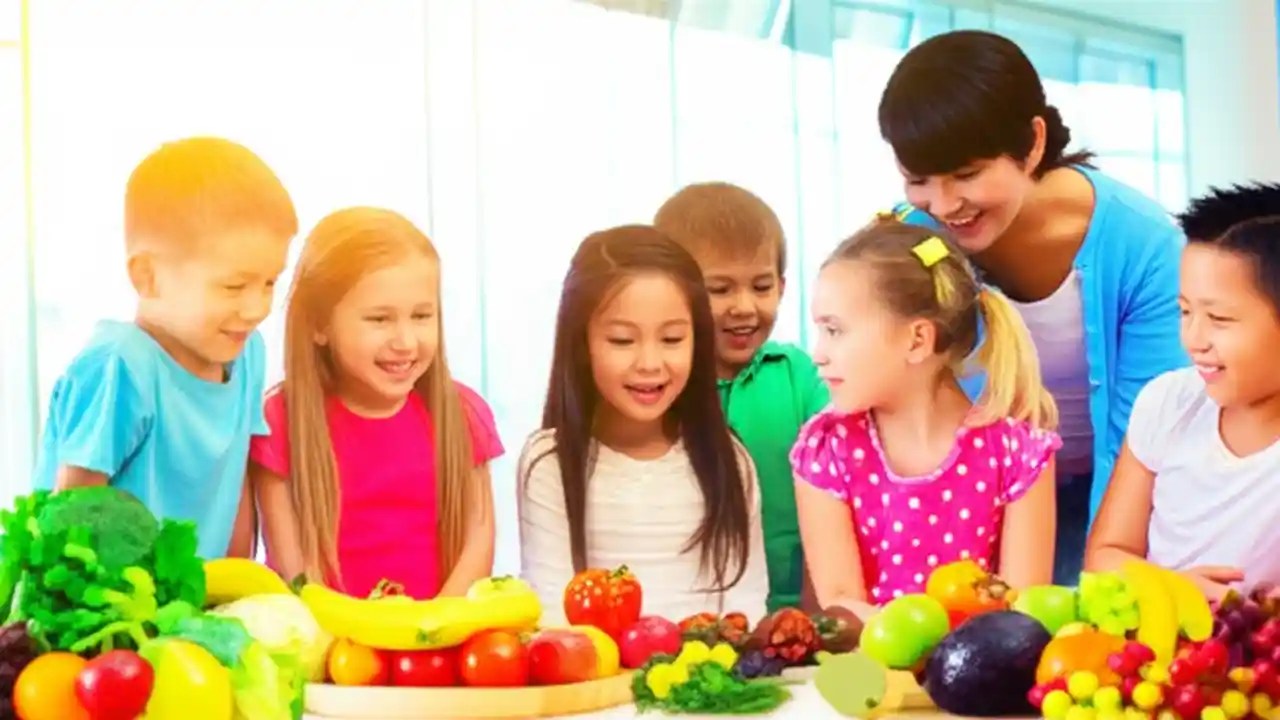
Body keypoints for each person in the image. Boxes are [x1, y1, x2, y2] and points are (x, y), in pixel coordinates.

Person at [877, 29, 1187, 585]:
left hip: (1111, 501)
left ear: (1033, 142)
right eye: (918, 179)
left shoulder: (1144, 246)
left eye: (967, 175)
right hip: (977, 501)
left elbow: (1142, 436)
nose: (943, 205)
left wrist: (1102, 580)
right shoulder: (912, 239)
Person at [33, 136, 297, 559]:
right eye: (234, 286)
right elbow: (72, 521)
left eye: (270, 282)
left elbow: (234, 483)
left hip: (196, 596)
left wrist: (238, 581)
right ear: (148, 277)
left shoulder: (246, 351)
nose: (256, 308)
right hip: (110, 596)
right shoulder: (120, 366)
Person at [791, 219, 1059, 616]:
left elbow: (1022, 615)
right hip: (868, 657)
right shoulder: (826, 449)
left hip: (984, 657)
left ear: (917, 340)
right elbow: (842, 605)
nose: (818, 354)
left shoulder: (1019, 455)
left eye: (834, 331)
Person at [519, 225, 770, 623]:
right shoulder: (550, 463)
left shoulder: (728, 460)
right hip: (594, 664)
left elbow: (746, 611)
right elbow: (553, 616)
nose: (650, 363)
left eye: (672, 339)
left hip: (710, 663)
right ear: (582, 344)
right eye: (622, 340)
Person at [249, 207, 503, 599]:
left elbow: (478, 541)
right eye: (380, 319)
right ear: (319, 325)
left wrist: (435, 622)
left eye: (422, 315)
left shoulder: (462, 413)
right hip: (324, 630)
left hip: (441, 631)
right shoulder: (280, 420)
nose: (406, 341)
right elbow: (292, 569)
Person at [1086, 183, 1280, 600]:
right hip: (1155, 635)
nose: (1193, 339)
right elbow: (1105, 555)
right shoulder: (1168, 403)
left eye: (1219, 319)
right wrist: (1173, 588)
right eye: (1185, 311)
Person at [653, 182, 828, 612]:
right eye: (720, 289)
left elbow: (841, 488)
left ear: (782, 287)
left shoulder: (802, 376)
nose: (745, 307)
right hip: (690, 611)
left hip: (797, 609)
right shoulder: (659, 388)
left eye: (762, 287)